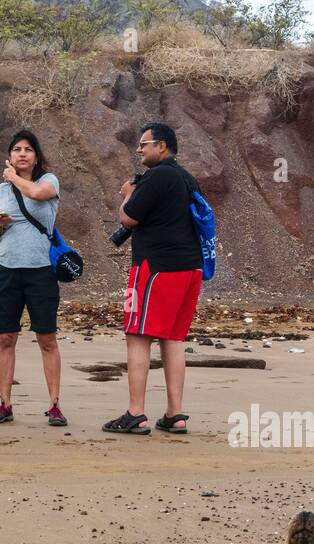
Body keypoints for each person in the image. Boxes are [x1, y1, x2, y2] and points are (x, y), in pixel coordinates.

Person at [102, 121, 203, 436]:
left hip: (157, 267)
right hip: (190, 268)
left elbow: (129, 216)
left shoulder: (157, 177)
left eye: (144, 143)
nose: (139, 149)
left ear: (163, 146)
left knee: (138, 335)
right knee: (173, 338)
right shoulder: (188, 179)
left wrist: (128, 194)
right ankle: (175, 414)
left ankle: (135, 413)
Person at [0, 129, 65, 426]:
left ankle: (54, 405)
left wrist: (11, 177)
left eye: (28, 149)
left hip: (40, 271)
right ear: (9, 155)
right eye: (16, 149)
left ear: (36, 156)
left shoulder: (48, 181)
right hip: (6, 269)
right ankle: (5, 404)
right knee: (6, 337)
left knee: (46, 338)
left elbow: (35, 194)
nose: (22, 154)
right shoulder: (0, 192)